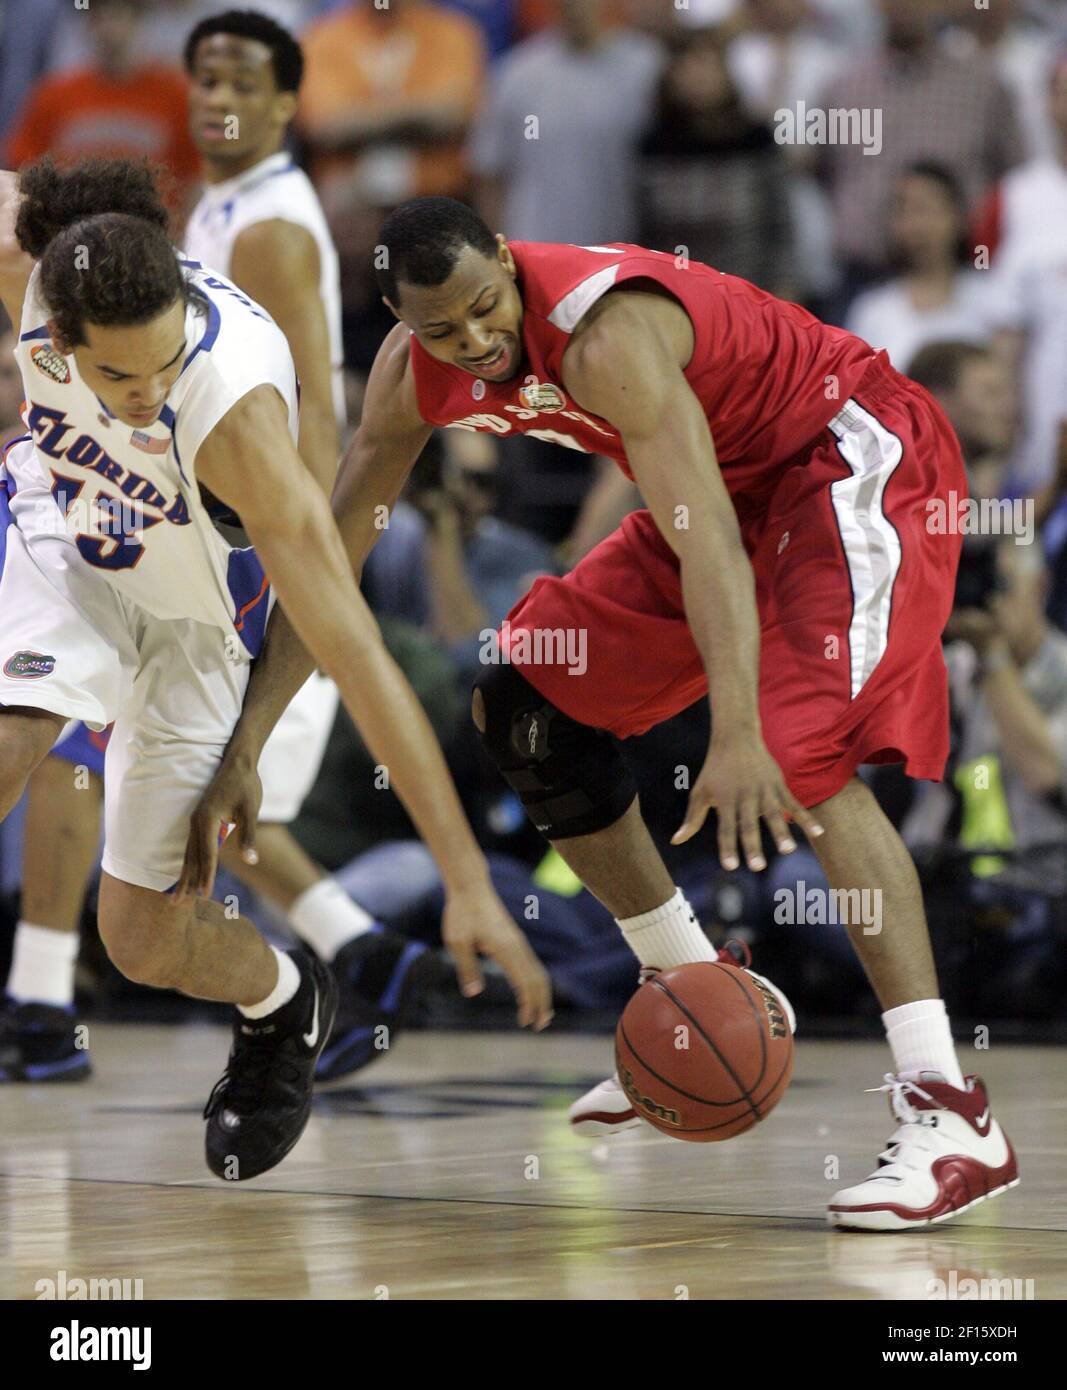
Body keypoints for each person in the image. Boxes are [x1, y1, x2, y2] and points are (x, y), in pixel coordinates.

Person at [199, 194, 1020, 1227]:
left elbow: (705, 534)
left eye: (487, 308)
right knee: (526, 706)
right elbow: (327, 568)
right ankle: (693, 993)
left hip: (846, 458)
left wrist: (732, 730)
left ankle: (950, 1108)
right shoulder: (413, 383)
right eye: (442, 329)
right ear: (403, 327)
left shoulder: (604, 333)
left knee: (794, 752)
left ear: (507, 260)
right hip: (719, 494)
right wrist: (247, 745)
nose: (477, 341)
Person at [0, 158, 550, 1176]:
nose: (146, 395)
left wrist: (466, 878)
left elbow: (363, 660)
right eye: (119, 377)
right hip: (61, 544)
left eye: (162, 366)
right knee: (12, 734)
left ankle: (283, 998)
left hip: (197, 625)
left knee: (140, 941)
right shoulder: (33, 271)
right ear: (58, 332)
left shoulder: (235, 419)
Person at [0, 10, 422, 1086]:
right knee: (51, 731)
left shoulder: (274, 225)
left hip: (242, 568)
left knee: (190, 845)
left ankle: (328, 959)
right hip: (108, 534)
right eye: (201, 74)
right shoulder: (186, 219)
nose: (213, 93)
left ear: (291, 102)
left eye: (241, 74)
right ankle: (45, 997)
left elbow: (315, 429)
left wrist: (311, 567)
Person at [3, 0, 200, 221]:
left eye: (118, 17)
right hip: (68, 232)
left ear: (140, 21)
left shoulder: (176, 96)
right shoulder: (54, 94)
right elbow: (21, 170)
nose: (109, 30)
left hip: (152, 234)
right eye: (98, 18)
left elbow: (194, 178)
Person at [844, 164, 1000, 374]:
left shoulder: (992, 298)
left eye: (925, 209)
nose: (916, 224)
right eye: (904, 210)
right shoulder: (872, 311)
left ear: (959, 216)